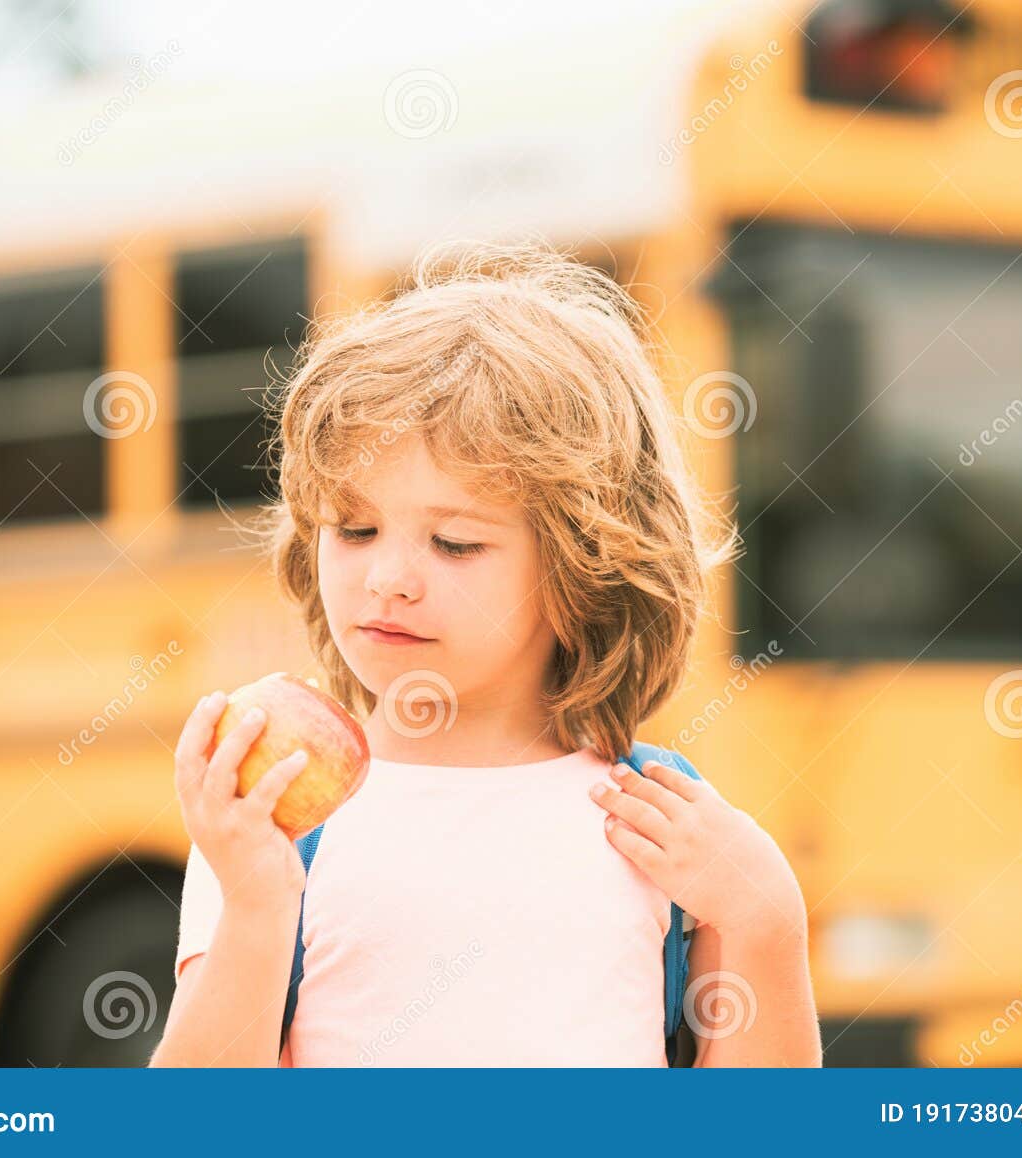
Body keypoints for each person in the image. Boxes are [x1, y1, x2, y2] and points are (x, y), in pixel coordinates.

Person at [149, 240, 820, 1067]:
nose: (388, 579)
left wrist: (766, 922)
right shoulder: (274, 821)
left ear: (586, 569)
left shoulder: (663, 826)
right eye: (353, 529)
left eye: (455, 543)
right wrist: (254, 908)